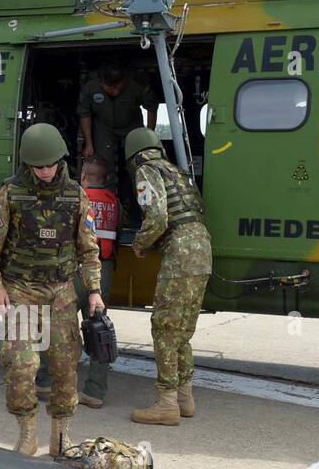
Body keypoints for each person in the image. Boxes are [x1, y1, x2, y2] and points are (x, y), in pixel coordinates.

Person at [0, 124, 102, 456]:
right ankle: (27, 432)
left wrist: (94, 290)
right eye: (37, 166)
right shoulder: (10, 194)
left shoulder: (76, 196)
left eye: (50, 164)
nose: (45, 172)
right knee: (21, 364)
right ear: (27, 164)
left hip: (61, 292)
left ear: (61, 160)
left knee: (64, 365)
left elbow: (89, 251)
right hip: (21, 290)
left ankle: (60, 436)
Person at [125, 128, 212, 426]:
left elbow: (158, 216)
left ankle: (166, 403)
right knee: (182, 331)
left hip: (181, 254)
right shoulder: (176, 171)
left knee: (163, 327)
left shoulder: (146, 171)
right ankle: (185, 398)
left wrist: (140, 243)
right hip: (202, 250)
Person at [34, 154, 118, 408]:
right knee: (99, 330)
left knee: (55, 326)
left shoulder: (74, 199)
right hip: (102, 270)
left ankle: (46, 382)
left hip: (73, 270)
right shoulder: (114, 202)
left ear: (83, 176)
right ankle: (95, 390)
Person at [77, 61, 158, 191]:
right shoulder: (90, 85)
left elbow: (152, 108)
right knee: (102, 163)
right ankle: (107, 200)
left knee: (138, 162)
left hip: (132, 125)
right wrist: (89, 143)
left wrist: (147, 138)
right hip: (103, 126)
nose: (115, 90)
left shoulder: (137, 83)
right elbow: (84, 113)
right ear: (101, 82)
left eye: (118, 86)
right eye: (110, 86)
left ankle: (138, 200)